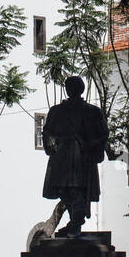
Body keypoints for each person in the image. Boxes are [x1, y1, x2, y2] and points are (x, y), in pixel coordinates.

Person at [42, 76, 109, 236]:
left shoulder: (92, 111)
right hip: (63, 157)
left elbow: (103, 134)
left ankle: (76, 223)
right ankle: (75, 222)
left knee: (77, 191)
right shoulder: (57, 111)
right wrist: (52, 144)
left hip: (80, 157)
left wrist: (89, 145)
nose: (68, 89)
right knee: (64, 190)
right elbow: (47, 132)